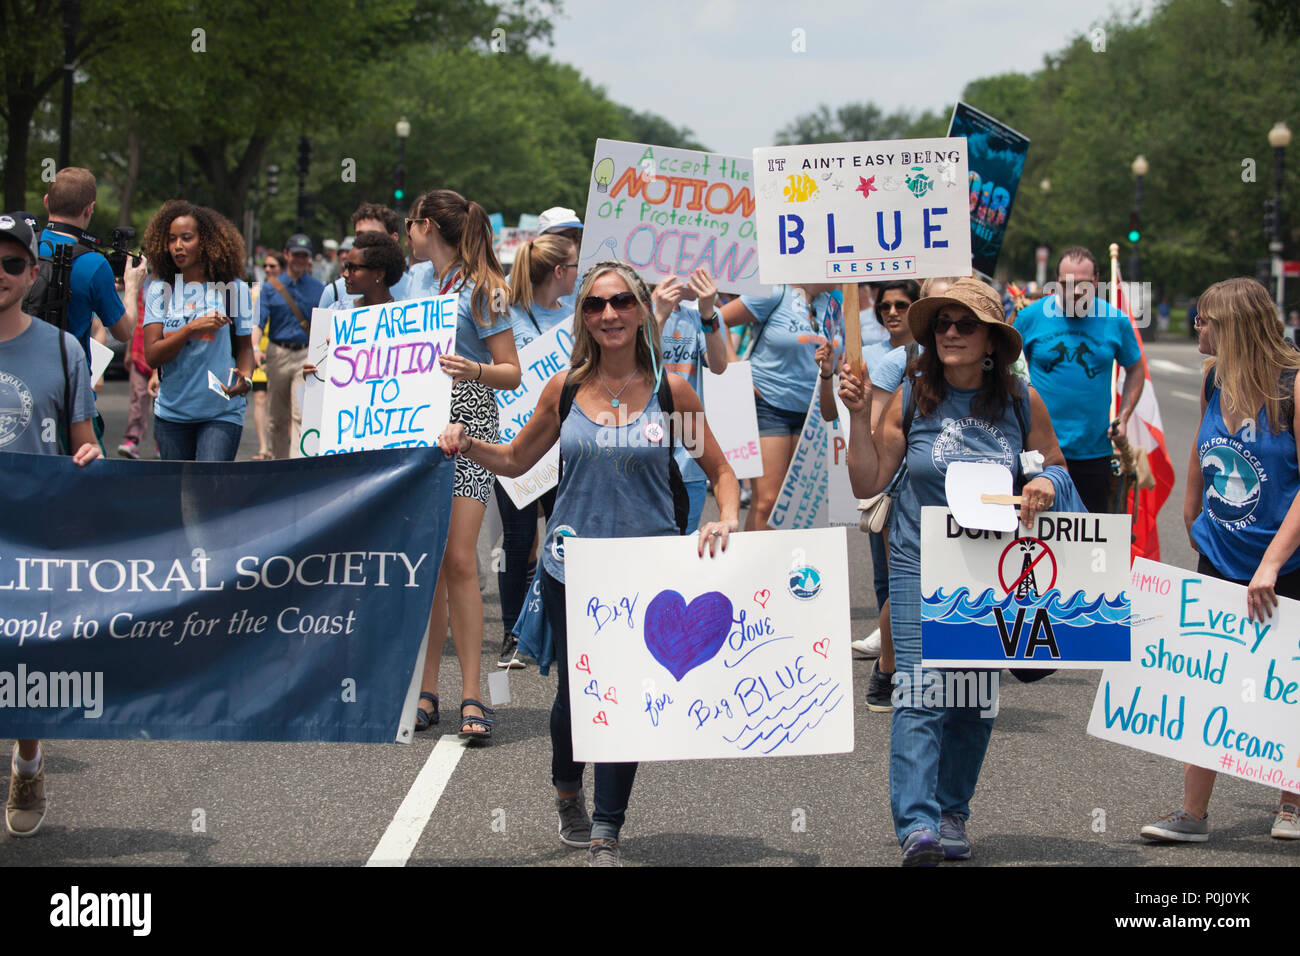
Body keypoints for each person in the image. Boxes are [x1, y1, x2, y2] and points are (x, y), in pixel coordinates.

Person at [437, 260, 740, 865]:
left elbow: (722, 472)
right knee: (577, 700)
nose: (610, 314)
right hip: (570, 573)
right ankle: (568, 792)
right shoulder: (566, 390)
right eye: (596, 305)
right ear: (584, 317)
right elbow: (518, 460)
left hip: (647, 575)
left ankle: (607, 827)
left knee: (624, 697)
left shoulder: (669, 392)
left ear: (640, 309)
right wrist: (467, 443)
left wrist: (726, 516)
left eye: (622, 302)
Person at [839, 277, 1067, 865]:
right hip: (919, 561)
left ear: (991, 339)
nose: (951, 333)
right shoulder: (914, 396)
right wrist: (858, 416)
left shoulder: (1020, 400)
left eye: (965, 324)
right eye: (942, 324)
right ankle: (917, 826)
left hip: (993, 573)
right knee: (919, 692)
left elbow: (1058, 469)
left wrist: (1043, 481)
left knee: (971, 699)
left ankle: (951, 810)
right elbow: (867, 483)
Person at [1140, 277, 1300, 843]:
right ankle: (1192, 814)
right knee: (1207, 680)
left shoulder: (1293, 385)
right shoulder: (1213, 378)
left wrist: (1272, 566)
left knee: (1285, 682)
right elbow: (1202, 454)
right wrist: (1191, 515)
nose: (1196, 327)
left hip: (1285, 563)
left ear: (1235, 324)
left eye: (1205, 319)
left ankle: (1291, 804)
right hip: (1221, 556)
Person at [405, 189, 521, 739]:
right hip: (415, 423)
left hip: (468, 423)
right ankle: (426, 687)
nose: (406, 232)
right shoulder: (413, 284)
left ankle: (471, 692)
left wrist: (472, 369)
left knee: (459, 559)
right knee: (427, 563)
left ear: (427, 226)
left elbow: (511, 372)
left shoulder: (488, 290)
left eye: (410, 224)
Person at [0, 212, 101, 838]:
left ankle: (30, 761)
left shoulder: (63, 350)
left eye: (13, 264)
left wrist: (89, 460)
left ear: (32, 274)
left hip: (34, 537)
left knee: (22, 658)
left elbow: (84, 443)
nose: (0, 275)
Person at [494, 232, 578, 669]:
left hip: (562, 444)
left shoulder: (575, 315)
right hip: (518, 442)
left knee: (563, 534)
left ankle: (557, 624)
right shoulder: (508, 317)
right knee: (519, 537)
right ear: (560, 272)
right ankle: (513, 631)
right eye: (575, 267)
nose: (579, 273)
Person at [1014, 247, 1143, 514]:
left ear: (1096, 281)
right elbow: (1008, 367)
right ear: (1056, 282)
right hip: (1038, 453)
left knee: (1087, 542)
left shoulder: (1115, 321)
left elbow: (1136, 369)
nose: (1074, 291)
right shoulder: (1030, 318)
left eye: (1082, 284)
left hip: (1093, 453)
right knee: (1033, 536)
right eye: (1066, 284)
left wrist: (1124, 416)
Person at [719, 282, 839, 529]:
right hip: (769, 405)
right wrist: (735, 370)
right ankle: (754, 566)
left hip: (813, 413)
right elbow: (716, 320)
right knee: (767, 502)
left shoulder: (832, 304)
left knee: (796, 508)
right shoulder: (774, 292)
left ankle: (786, 565)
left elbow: (839, 356)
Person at [141, 201, 254, 461]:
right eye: (171, 240)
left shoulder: (235, 290)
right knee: (179, 496)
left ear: (206, 242)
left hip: (221, 413)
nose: (177, 246)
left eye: (186, 238)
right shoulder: (160, 290)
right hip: (172, 414)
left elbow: (245, 347)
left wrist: (245, 380)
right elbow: (152, 355)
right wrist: (191, 328)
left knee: (209, 493)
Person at [651, 267, 731, 530]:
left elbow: (719, 366)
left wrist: (708, 313)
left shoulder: (701, 316)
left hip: (689, 454)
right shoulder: (634, 311)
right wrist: (658, 314)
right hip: (643, 446)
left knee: (683, 545)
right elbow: (638, 361)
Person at [35, 168, 132, 364]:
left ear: (46, 202)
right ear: (89, 208)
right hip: (69, 378)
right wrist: (133, 286)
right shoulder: (94, 264)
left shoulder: (24, 248)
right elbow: (124, 332)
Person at [251, 234, 323, 458]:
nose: (300, 259)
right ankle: (280, 464)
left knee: (300, 414)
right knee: (277, 417)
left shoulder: (318, 288)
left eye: (305, 255)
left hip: (305, 355)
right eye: (296, 255)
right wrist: (255, 347)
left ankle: (296, 465)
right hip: (278, 354)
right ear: (287, 255)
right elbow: (258, 321)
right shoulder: (271, 287)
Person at [319, 203, 411, 309]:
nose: (365, 241)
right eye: (359, 235)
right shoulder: (333, 293)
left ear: (393, 239)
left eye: (374, 235)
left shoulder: (413, 288)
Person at [248, 252, 285, 460]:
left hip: (279, 351)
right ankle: (263, 447)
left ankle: (280, 444)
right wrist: (253, 348)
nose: (269, 269)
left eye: (273, 266)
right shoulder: (255, 292)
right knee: (260, 398)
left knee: (278, 401)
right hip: (258, 350)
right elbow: (250, 323)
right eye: (266, 266)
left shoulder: (287, 291)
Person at [116, 255, 153, 458]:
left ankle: (161, 444)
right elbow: (134, 318)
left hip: (162, 352)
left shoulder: (172, 285)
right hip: (139, 349)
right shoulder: (141, 285)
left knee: (162, 402)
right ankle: (132, 439)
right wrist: (129, 351)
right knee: (137, 398)